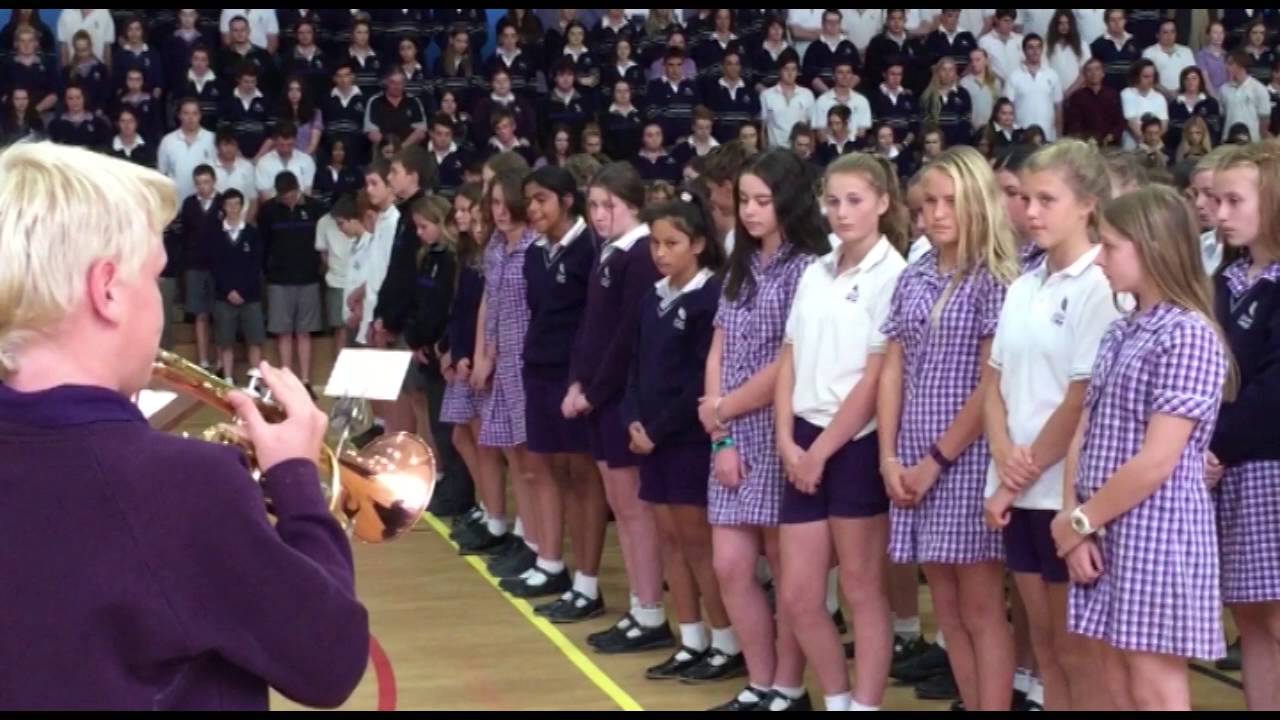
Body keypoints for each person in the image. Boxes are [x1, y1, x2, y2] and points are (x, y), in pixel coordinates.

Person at [0, 141, 369, 709]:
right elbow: (331, 660)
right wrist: (296, 481)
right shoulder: (186, 484)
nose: (161, 302)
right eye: (155, 278)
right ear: (107, 290)